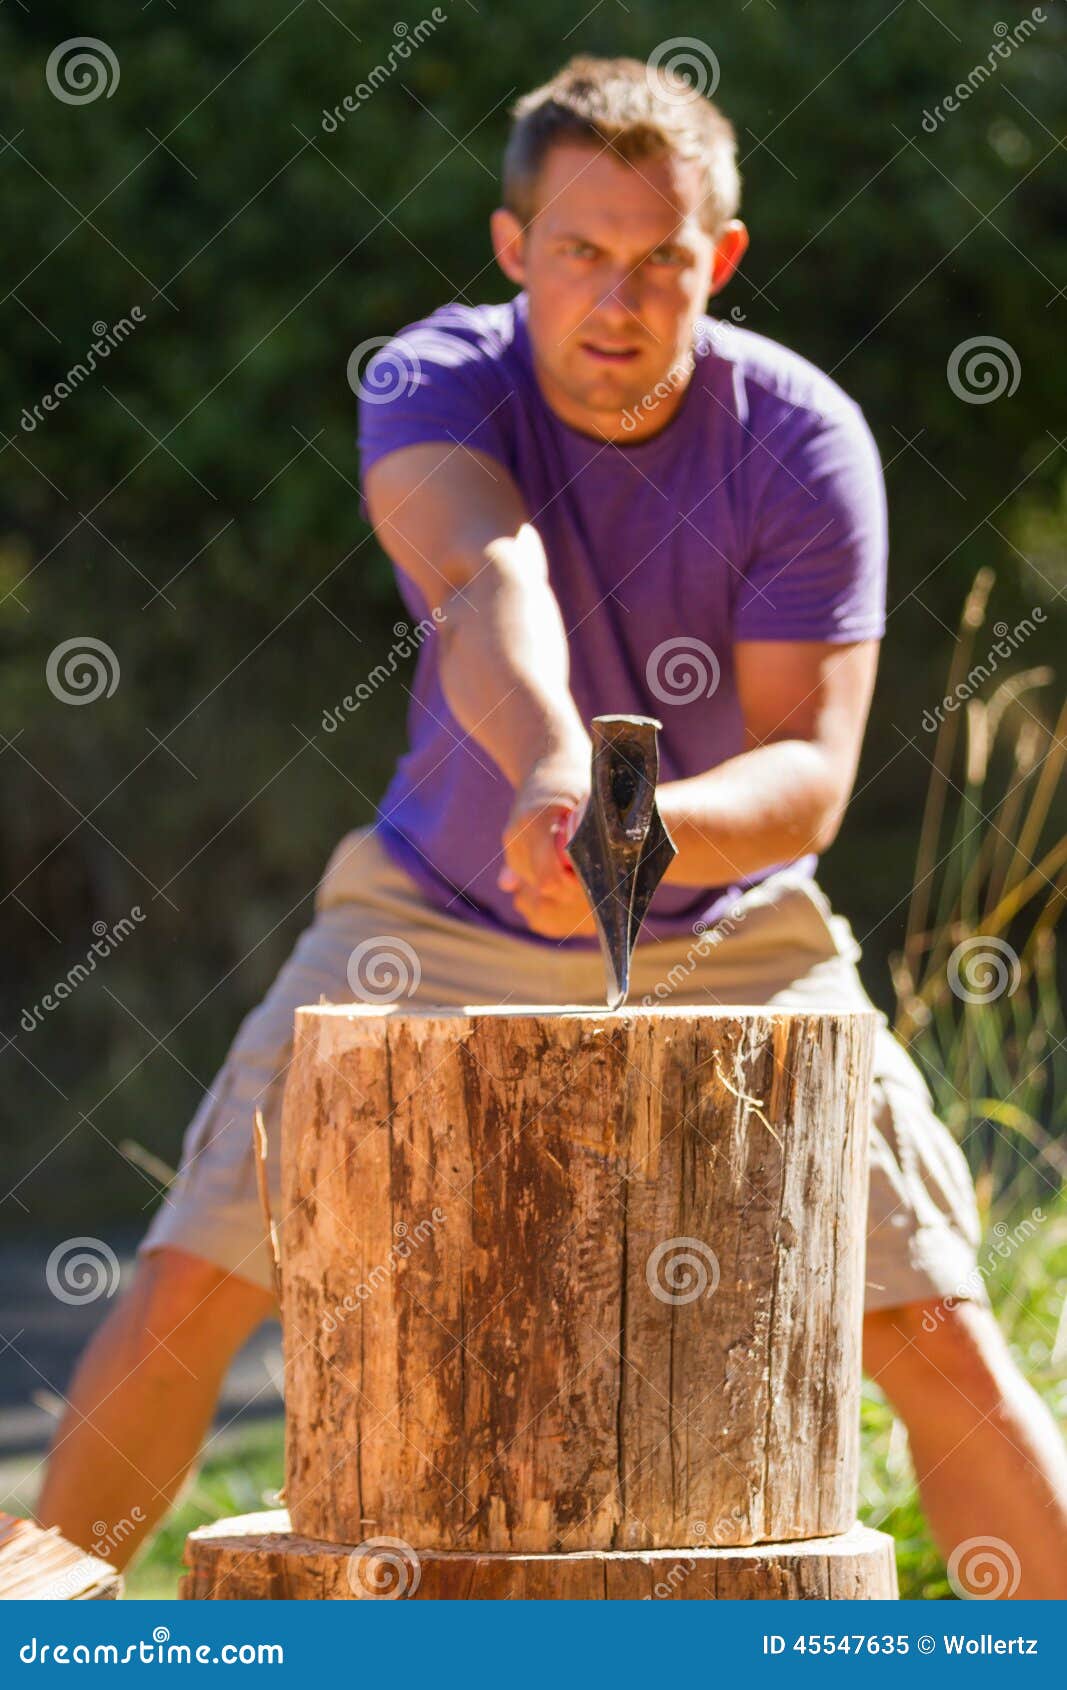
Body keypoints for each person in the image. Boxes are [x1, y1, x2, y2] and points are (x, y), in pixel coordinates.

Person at [38, 55, 1067, 1594]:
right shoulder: (435, 380)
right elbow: (484, 577)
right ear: (515, 248)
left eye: (661, 259)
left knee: (930, 1322)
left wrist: (643, 837)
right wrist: (550, 777)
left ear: (717, 259)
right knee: (196, 1276)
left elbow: (809, 771)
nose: (619, 297)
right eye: (581, 251)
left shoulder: (802, 438)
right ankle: (40, 1624)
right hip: (429, 909)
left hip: (734, 931)